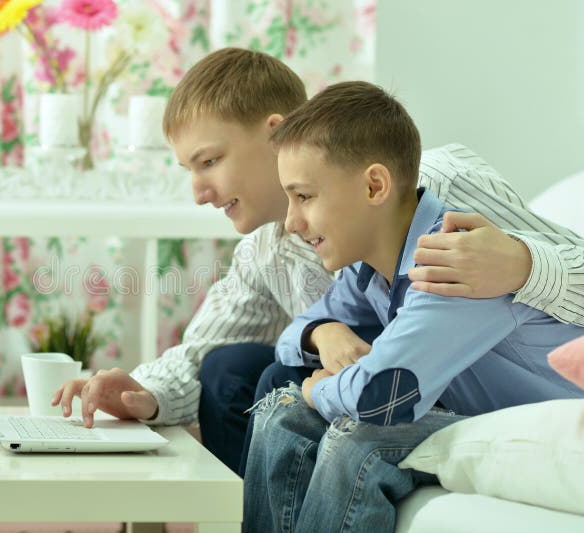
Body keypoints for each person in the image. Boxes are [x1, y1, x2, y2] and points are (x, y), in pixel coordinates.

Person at [52, 48, 584, 476]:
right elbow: (200, 352)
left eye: (209, 161)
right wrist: (138, 394)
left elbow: (565, 271)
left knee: (278, 384)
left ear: (275, 132)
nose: (197, 191)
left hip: (428, 385)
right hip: (368, 387)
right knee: (230, 368)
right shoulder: (265, 254)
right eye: (188, 169)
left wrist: (523, 263)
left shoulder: (435, 186)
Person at [243, 80, 584, 533]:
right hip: (467, 411)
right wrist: (324, 331)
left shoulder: (453, 263)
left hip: (543, 421)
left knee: (350, 435)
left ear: (375, 186)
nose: (290, 222)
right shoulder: (367, 267)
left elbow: (380, 395)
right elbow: (292, 336)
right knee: (279, 412)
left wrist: (316, 390)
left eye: (304, 196)